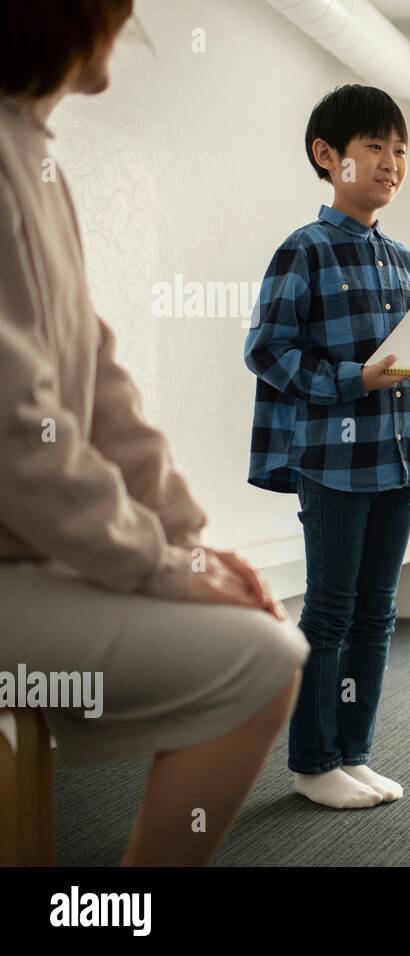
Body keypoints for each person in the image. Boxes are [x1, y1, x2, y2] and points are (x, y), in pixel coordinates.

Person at [0, 0, 307, 865]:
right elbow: (20, 439)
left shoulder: (31, 155)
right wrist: (163, 566)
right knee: (261, 662)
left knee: (269, 628)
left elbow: (100, 391)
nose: (129, 32)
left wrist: (190, 543)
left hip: (24, 553)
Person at [244, 84, 410, 809]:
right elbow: (267, 352)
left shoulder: (402, 258)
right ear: (327, 157)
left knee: (377, 611)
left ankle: (352, 753)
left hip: (402, 458)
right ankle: (312, 762)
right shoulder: (300, 252)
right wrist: (352, 379)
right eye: (375, 147)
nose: (392, 162)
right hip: (334, 462)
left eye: (401, 150)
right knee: (331, 612)